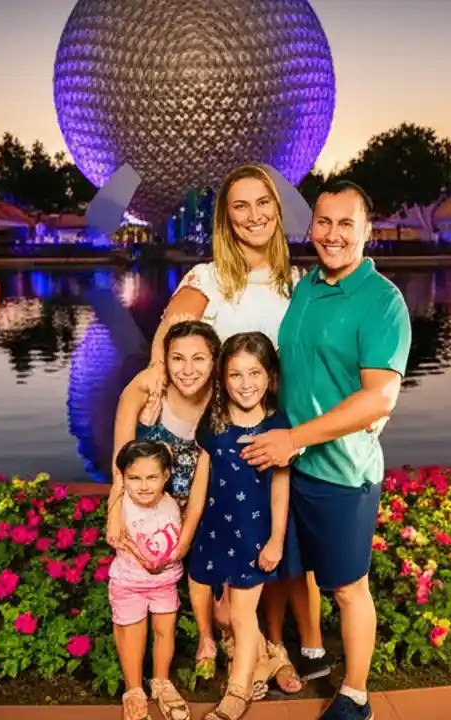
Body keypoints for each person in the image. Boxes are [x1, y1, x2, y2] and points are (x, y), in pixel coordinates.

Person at [126, 163, 324, 688]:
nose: (253, 215)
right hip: (221, 435)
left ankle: (273, 643)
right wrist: (153, 376)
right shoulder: (209, 278)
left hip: (278, 430)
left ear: (277, 209)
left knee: (279, 544)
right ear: (226, 218)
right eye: (240, 205)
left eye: (263, 203)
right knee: (226, 539)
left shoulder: (297, 283)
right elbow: (169, 333)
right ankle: (240, 642)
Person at [240, 180, 411, 720]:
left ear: (366, 231)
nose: (332, 235)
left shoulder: (382, 301)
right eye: (323, 222)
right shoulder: (307, 287)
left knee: (347, 587)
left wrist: (295, 438)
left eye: (346, 224)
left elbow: (378, 397)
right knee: (285, 571)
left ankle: (356, 697)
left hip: (341, 475)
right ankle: (289, 653)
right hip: (288, 470)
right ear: (310, 225)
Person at [182, 332, 292, 720]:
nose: (246, 385)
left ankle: (237, 692)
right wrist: (185, 540)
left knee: (244, 615)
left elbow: (281, 489)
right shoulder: (212, 426)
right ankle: (263, 659)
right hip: (214, 533)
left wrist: (276, 540)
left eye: (255, 373)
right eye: (235, 375)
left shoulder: (278, 428)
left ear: (269, 376)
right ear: (222, 378)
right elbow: (199, 488)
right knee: (224, 615)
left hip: (255, 535)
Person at [107, 320, 220, 678]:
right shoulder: (145, 390)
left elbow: (207, 477)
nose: (188, 370)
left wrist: (186, 535)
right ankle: (138, 681)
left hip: (204, 509)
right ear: (164, 360)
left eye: (199, 359)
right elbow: (120, 464)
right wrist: (114, 513)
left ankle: (217, 637)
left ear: (215, 361)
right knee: (134, 586)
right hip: (150, 510)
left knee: (226, 607)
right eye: (178, 359)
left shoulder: (222, 400)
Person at [108, 439, 191, 720]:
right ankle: (133, 689)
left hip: (165, 583)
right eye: (134, 478)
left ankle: (161, 682)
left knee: (165, 632)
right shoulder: (120, 503)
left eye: (152, 477)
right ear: (122, 479)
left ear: (166, 476)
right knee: (132, 634)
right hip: (129, 584)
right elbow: (114, 531)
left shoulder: (172, 502)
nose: (143, 486)